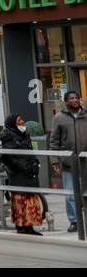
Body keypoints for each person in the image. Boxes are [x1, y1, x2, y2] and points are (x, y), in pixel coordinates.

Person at [0, 114, 43, 236]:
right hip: (18, 174)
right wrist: (23, 166)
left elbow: (29, 152)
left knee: (30, 199)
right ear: (13, 123)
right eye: (19, 120)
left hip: (29, 173)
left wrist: (35, 163)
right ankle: (21, 226)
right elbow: (8, 157)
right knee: (20, 201)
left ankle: (29, 226)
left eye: (22, 119)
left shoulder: (24, 135)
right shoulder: (9, 138)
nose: (23, 122)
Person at [49, 91, 87, 232]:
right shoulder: (59, 117)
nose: (75, 100)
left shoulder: (86, 115)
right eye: (71, 98)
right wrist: (54, 161)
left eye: (77, 98)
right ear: (66, 101)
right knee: (71, 195)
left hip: (86, 162)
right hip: (68, 163)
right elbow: (53, 141)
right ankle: (75, 221)